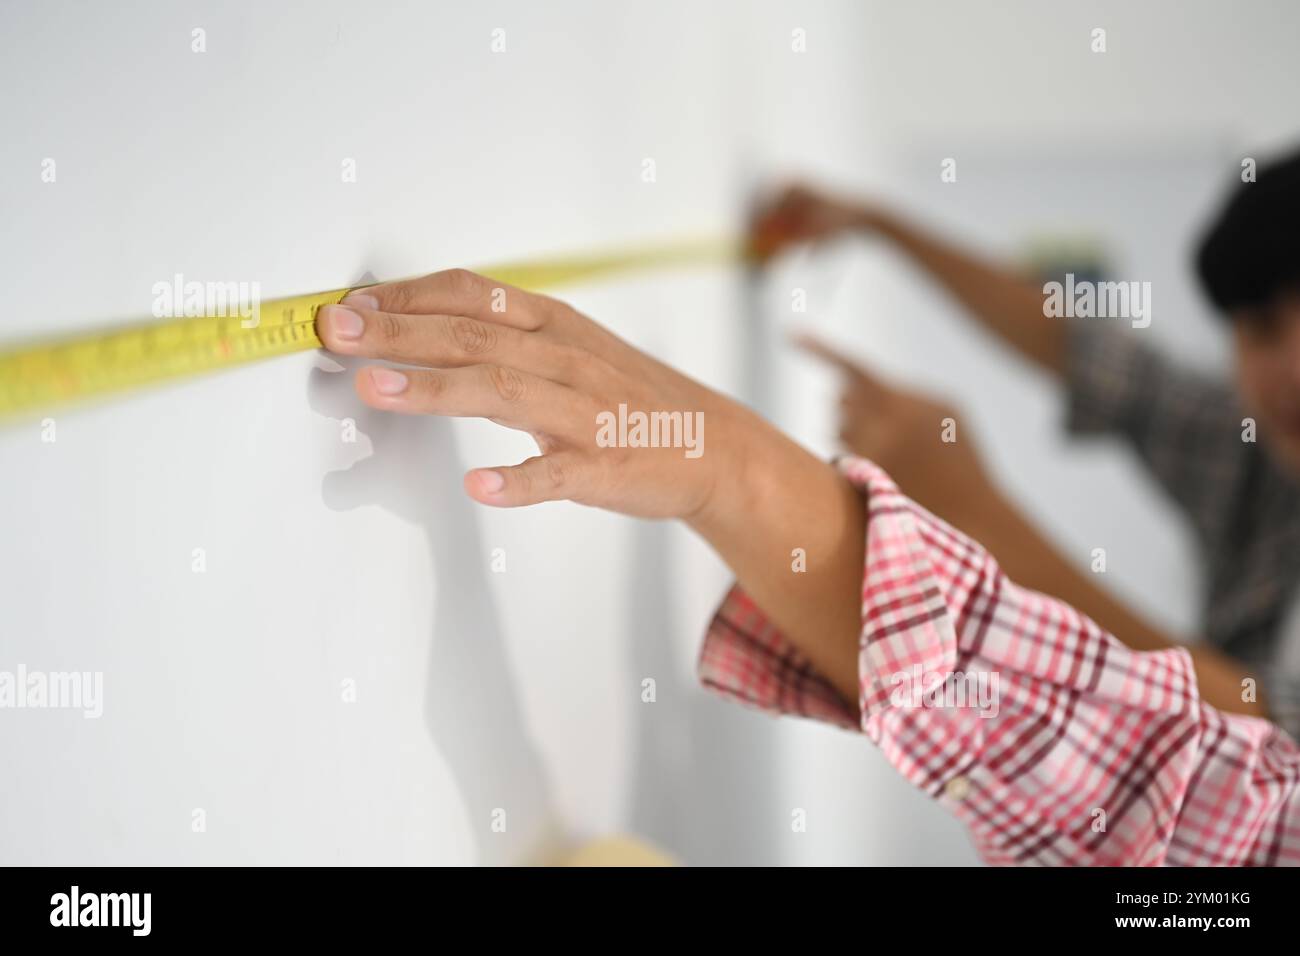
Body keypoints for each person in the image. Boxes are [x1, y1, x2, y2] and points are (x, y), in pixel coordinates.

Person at [315, 267, 1299, 865]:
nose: (1278, 365)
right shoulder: (1250, 454)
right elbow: (1232, 719)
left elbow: (1222, 810)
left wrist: (743, 474)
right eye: (1257, 330)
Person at [752, 152, 1300, 739]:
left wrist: (975, 512)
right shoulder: (1252, 448)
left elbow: (1260, 747)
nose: (1293, 368)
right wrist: (877, 223)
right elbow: (1084, 350)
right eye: (1262, 327)